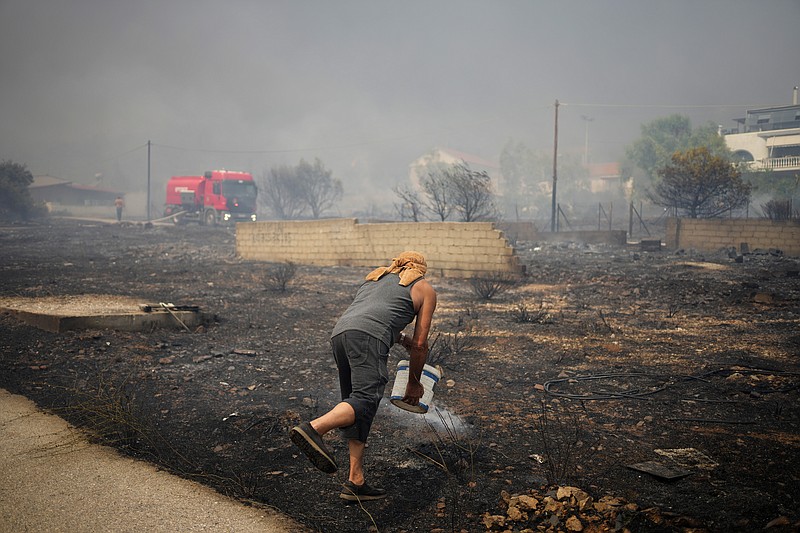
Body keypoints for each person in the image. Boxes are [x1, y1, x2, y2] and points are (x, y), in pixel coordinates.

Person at [290, 251, 437, 502]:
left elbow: (371, 313)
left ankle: (355, 481)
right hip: (368, 338)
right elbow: (421, 345)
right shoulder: (425, 289)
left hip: (341, 335)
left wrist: (401, 339)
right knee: (367, 398)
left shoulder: (376, 278)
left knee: (357, 406)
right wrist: (414, 383)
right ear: (422, 270)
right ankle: (314, 429)